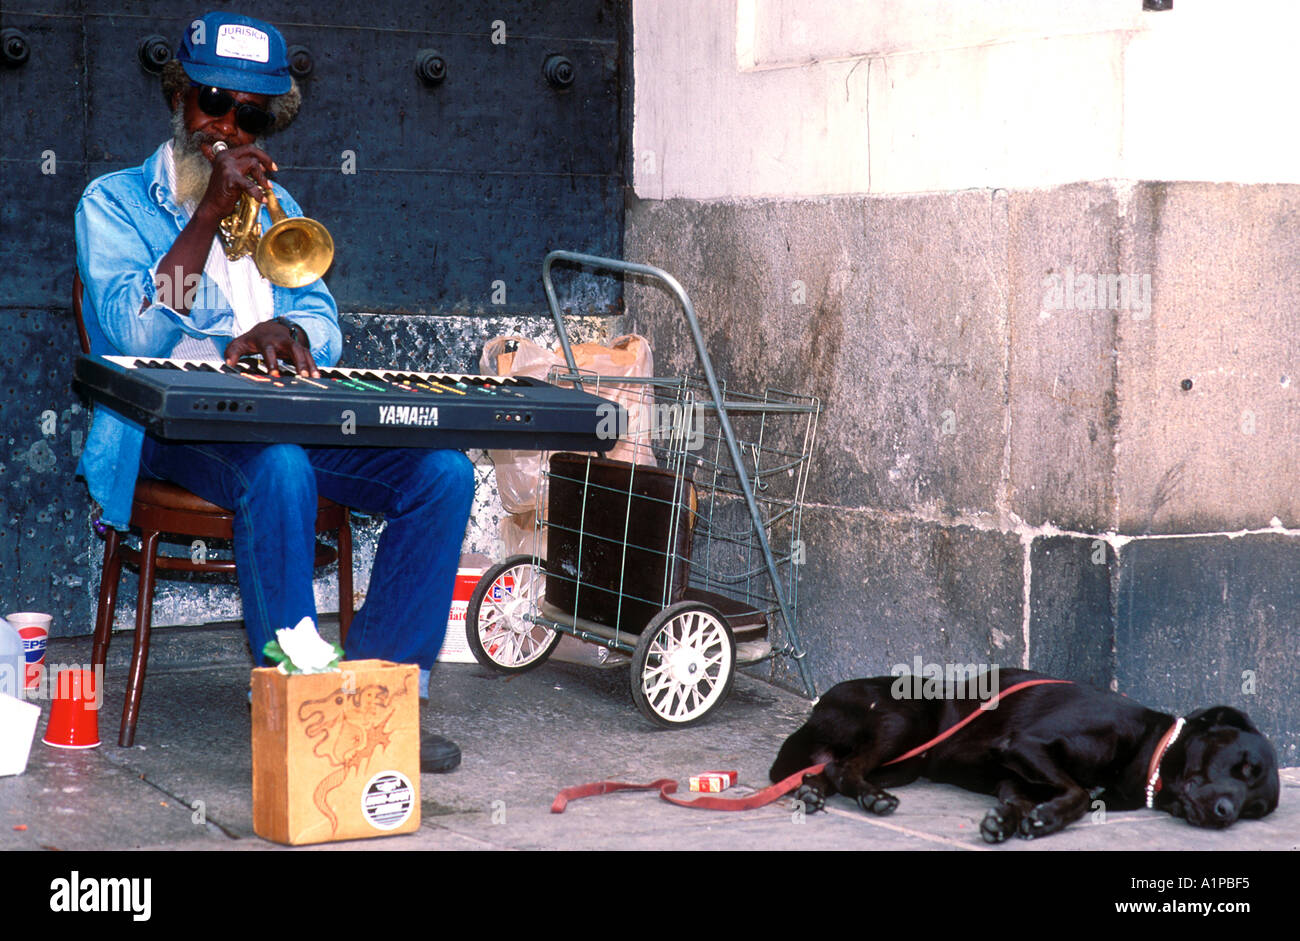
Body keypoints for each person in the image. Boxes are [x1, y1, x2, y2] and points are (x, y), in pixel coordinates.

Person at [74, 10, 472, 772]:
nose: (226, 127)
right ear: (179, 98)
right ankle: (300, 703)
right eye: (212, 104)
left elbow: (324, 321)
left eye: (249, 115)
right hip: (168, 433)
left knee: (442, 472)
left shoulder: (281, 210)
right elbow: (133, 334)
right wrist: (207, 217)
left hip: (280, 418)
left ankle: (380, 701)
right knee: (282, 465)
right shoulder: (113, 203)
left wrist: (294, 336)